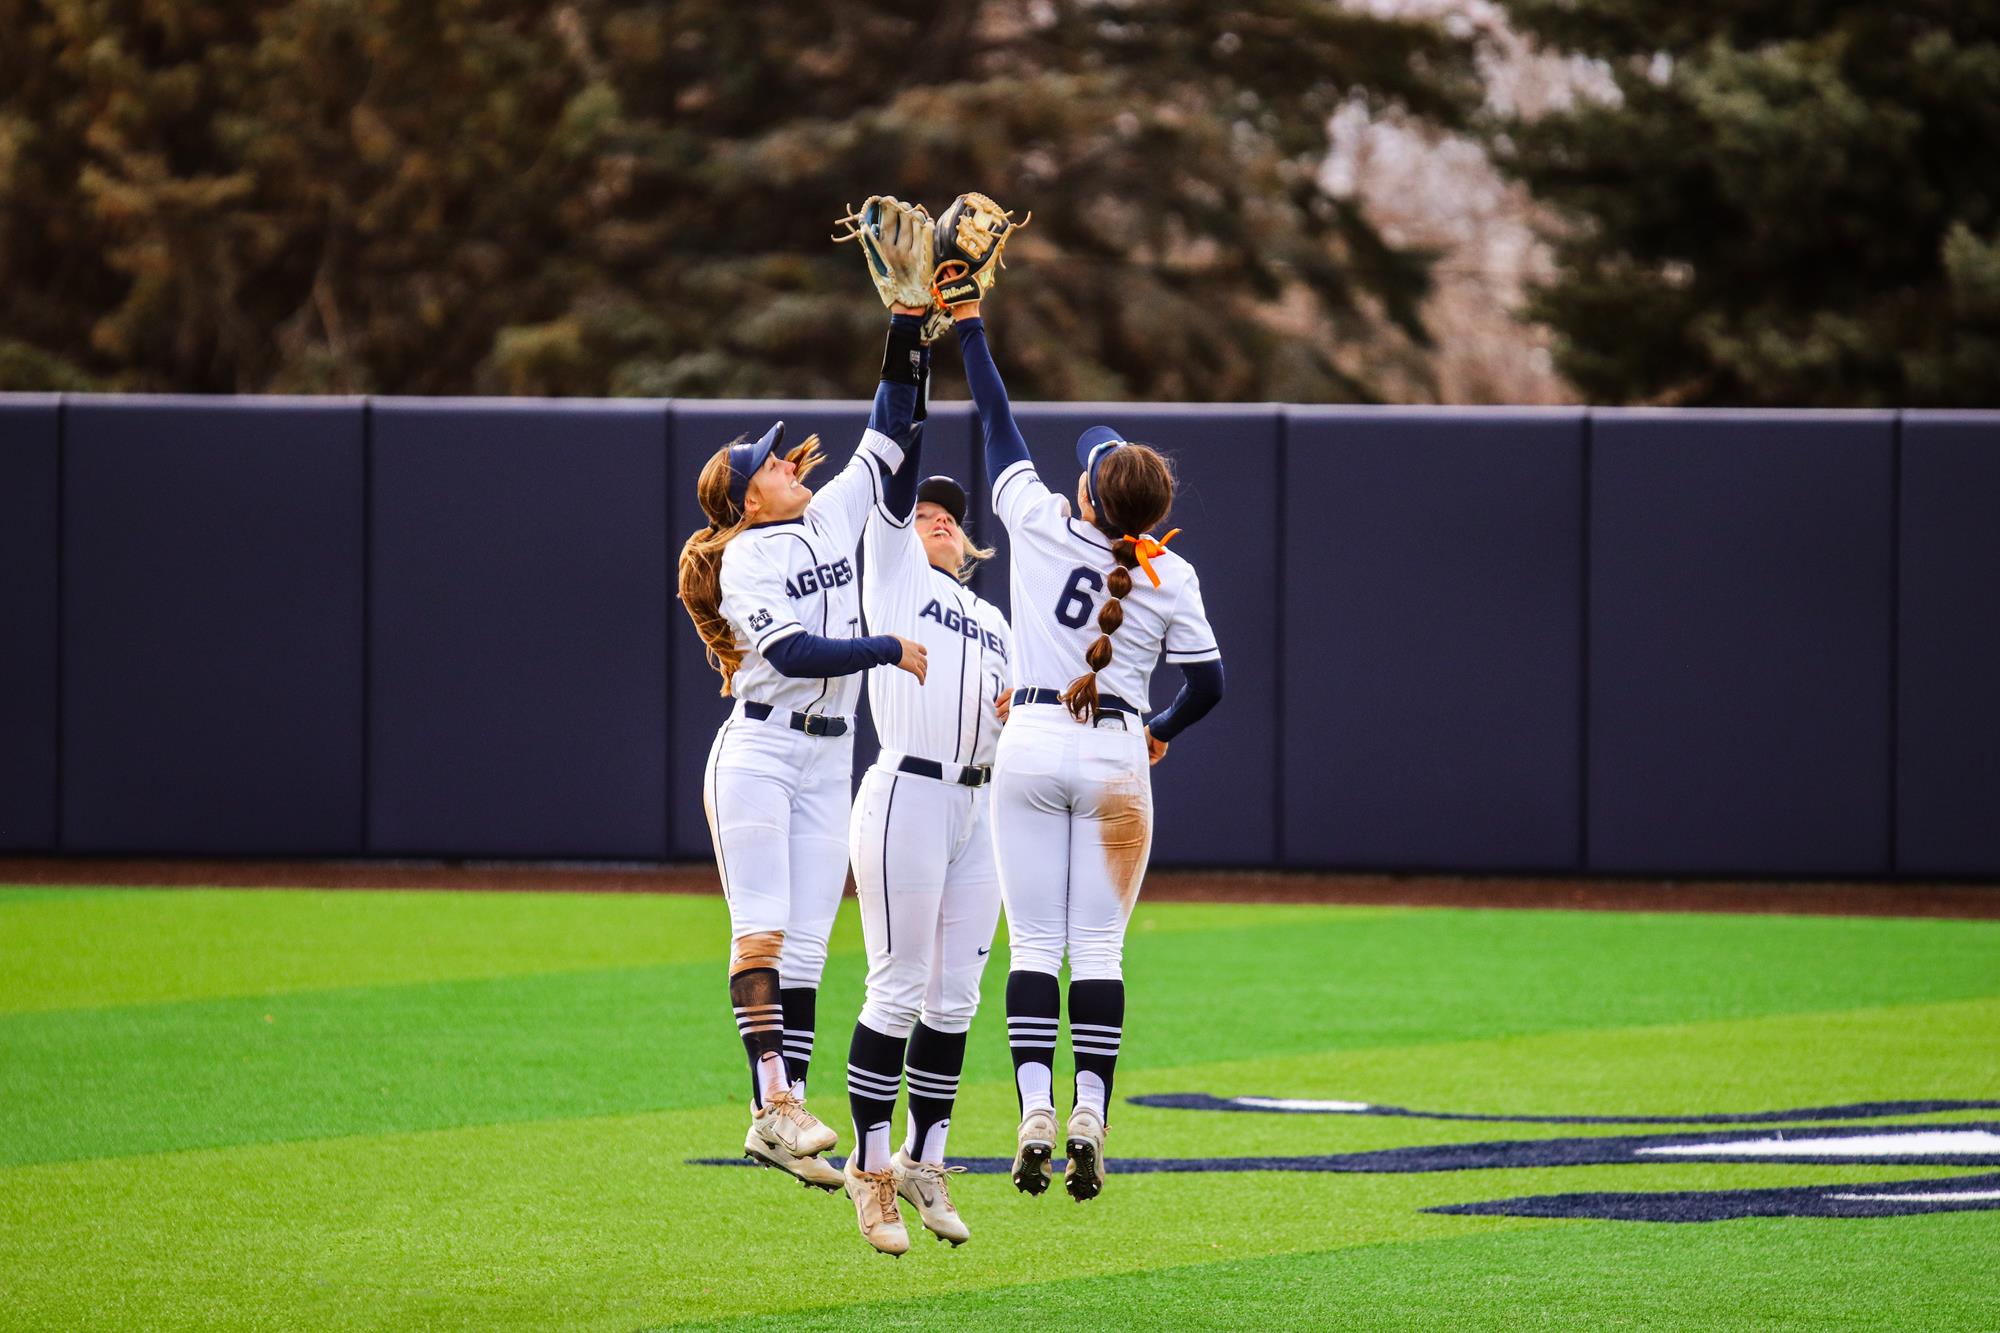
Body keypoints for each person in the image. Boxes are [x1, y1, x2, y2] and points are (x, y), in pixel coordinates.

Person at [948, 298, 1226, 1203]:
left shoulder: (1035, 520)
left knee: (1033, 942)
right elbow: (1210, 687)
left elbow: (998, 420)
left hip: (1027, 743)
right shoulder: (1169, 574)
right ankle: (1089, 1117)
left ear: (1088, 496)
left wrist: (970, 324)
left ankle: (1033, 1107)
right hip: (1114, 755)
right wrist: (1158, 734)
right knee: (1097, 949)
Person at [676, 307, 932, 1191]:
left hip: (830, 761)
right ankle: (775, 1103)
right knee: (764, 929)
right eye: (774, 463)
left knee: (813, 949)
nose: (792, 463)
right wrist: (886, 647)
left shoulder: (825, 517)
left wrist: (910, 324)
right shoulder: (747, 557)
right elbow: (788, 654)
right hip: (759, 756)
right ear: (750, 497)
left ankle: (776, 1117)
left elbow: (889, 426)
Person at [840, 454, 1012, 1254]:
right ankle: (870, 1170)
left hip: (979, 806)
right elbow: (899, 492)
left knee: (956, 998)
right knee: (898, 986)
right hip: (907, 789)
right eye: (928, 511)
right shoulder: (897, 572)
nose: (940, 518)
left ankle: (924, 1160)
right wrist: (915, 352)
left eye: (952, 514)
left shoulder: (999, 622)